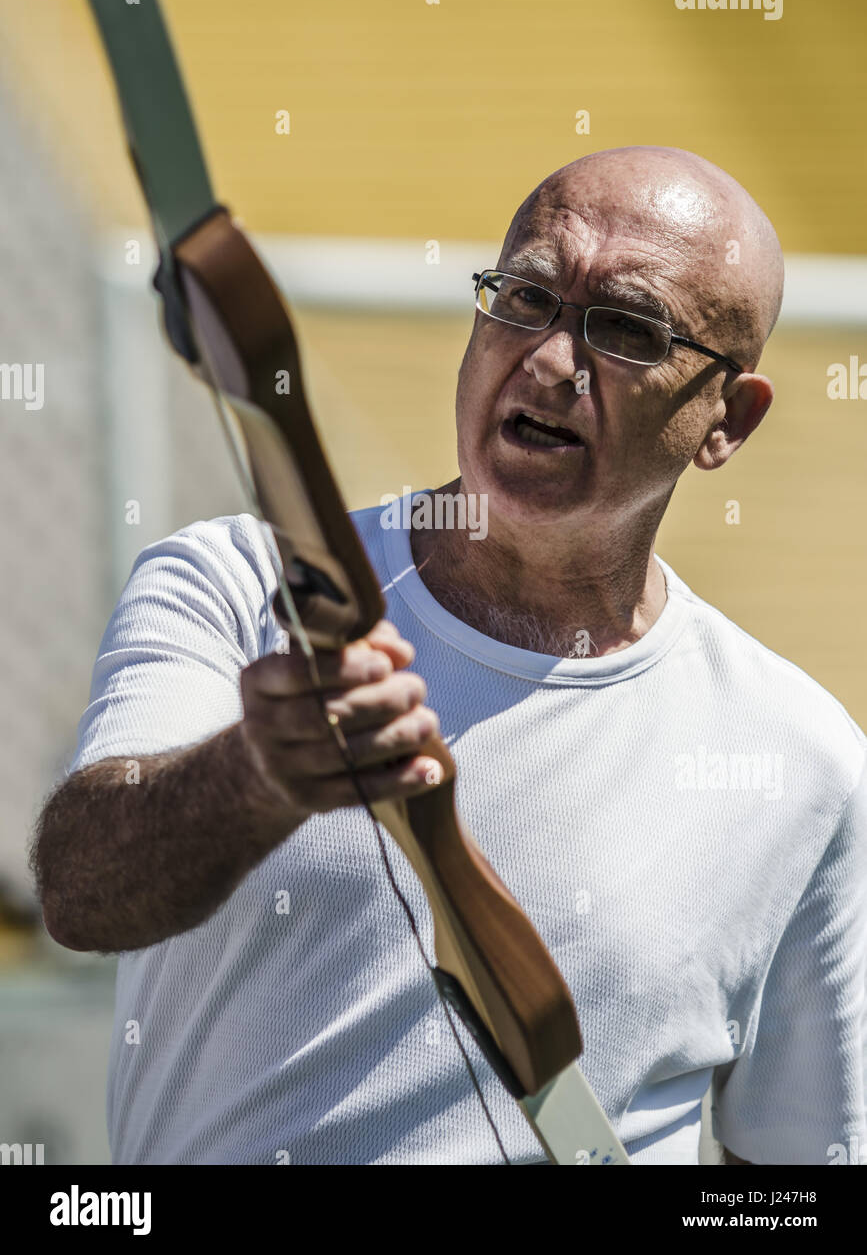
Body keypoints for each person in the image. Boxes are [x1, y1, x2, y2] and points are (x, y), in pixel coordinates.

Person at [32, 146, 866, 1166]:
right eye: (526, 297)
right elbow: (80, 895)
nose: (553, 361)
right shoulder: (234, 583)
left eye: (627, 330)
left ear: (726, 420)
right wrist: (258, 771)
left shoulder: (800, 758)